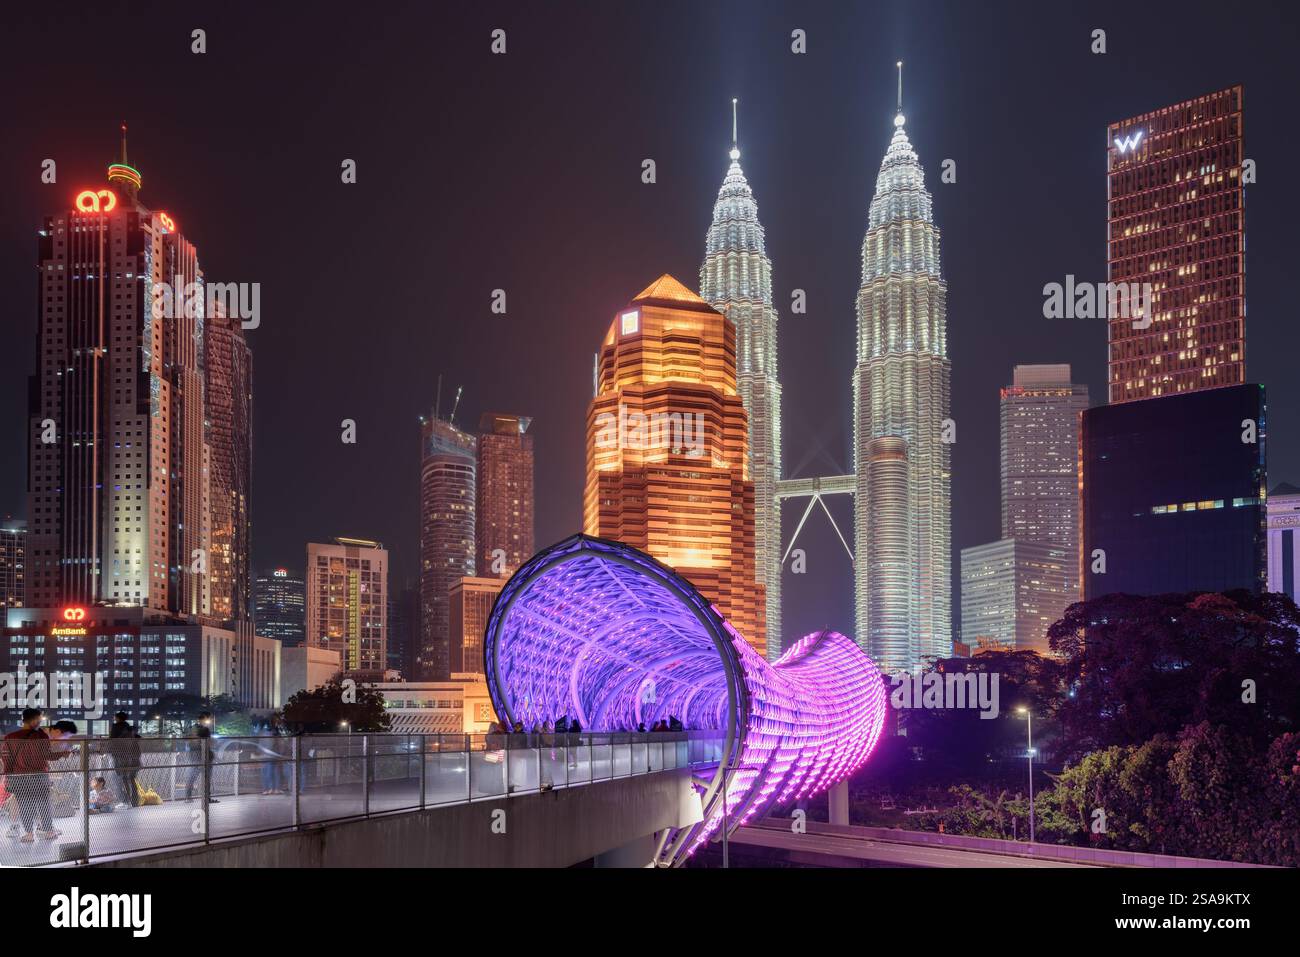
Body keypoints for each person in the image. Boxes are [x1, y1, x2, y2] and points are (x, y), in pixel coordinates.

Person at [2, 708, 59, 842]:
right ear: (34, 720)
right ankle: (49, 831)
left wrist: (9, 777)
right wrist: (63, 754)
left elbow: (6, 759)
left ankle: (29, 834)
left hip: (19, 777)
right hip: (39, 775)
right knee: (44, 804)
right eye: (39, 719)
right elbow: (47, 755)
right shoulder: (41, 736)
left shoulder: (10, 737)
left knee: (25, 806)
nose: (40, 722)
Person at [182, 712, 218, 804]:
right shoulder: (203, 729)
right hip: (202, 756)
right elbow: (208, 742)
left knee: (193, 777)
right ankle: (205, 798)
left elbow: (188, 739)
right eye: (209, 719)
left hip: (196, 756)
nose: (210, 721)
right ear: (204, 719)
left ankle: (189, 797)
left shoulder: (193, 728)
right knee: (205, 778)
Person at [109, 712, 142, 808]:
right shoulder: (128, 728)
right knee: (131, 779)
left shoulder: (116, 727)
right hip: (130, 757)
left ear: (118, 718)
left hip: (118, 755)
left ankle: (125, 801)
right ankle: (134, 801)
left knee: (121, 778)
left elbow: (112, 740)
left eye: (115, 716)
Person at [260, 714, 289, 795]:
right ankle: (269, 788)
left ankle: (274, 788)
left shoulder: (275, 731)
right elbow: (269, 744)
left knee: (275, 772)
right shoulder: (269, 732)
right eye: (275, 721)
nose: (277, 723)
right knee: (269, 772)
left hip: (274, 755)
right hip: (270, 755)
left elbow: (281, 742)